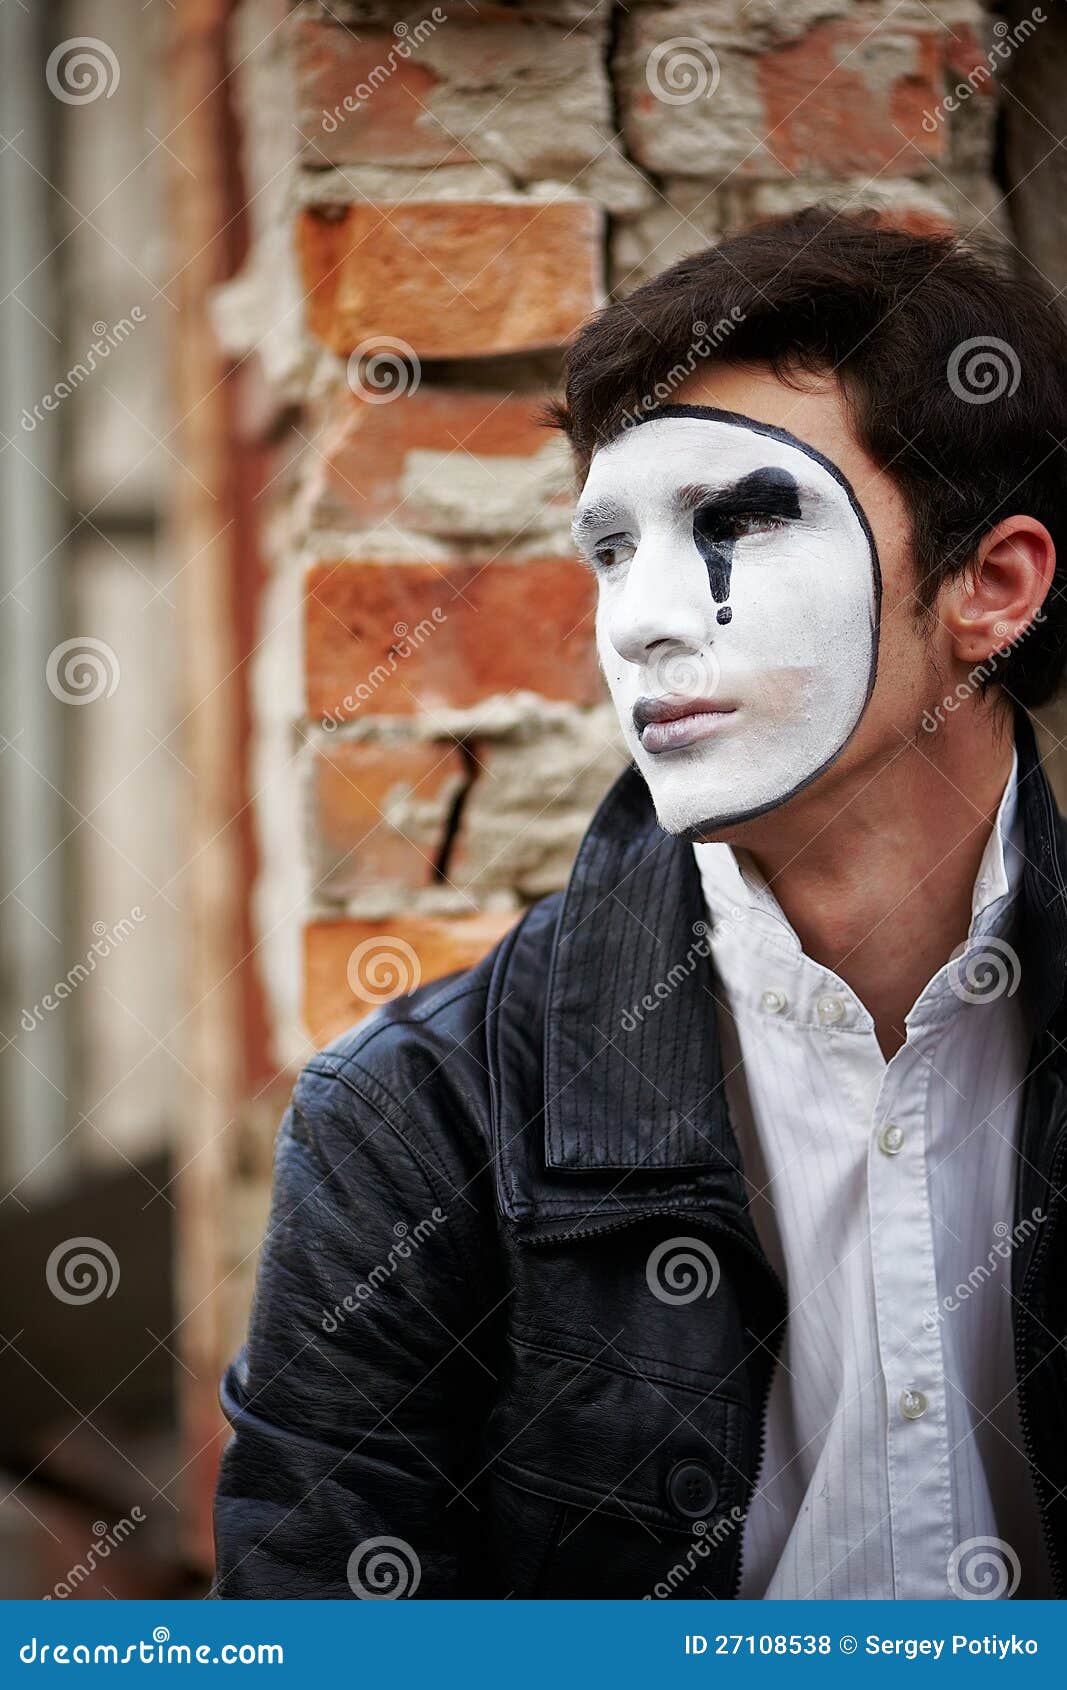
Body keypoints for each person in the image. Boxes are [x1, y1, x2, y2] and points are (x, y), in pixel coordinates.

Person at [213, 208, 1067, 1600]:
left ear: (994, 585)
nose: (643, 617)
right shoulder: (419, 1124)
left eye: (739, 518)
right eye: (609, 547)